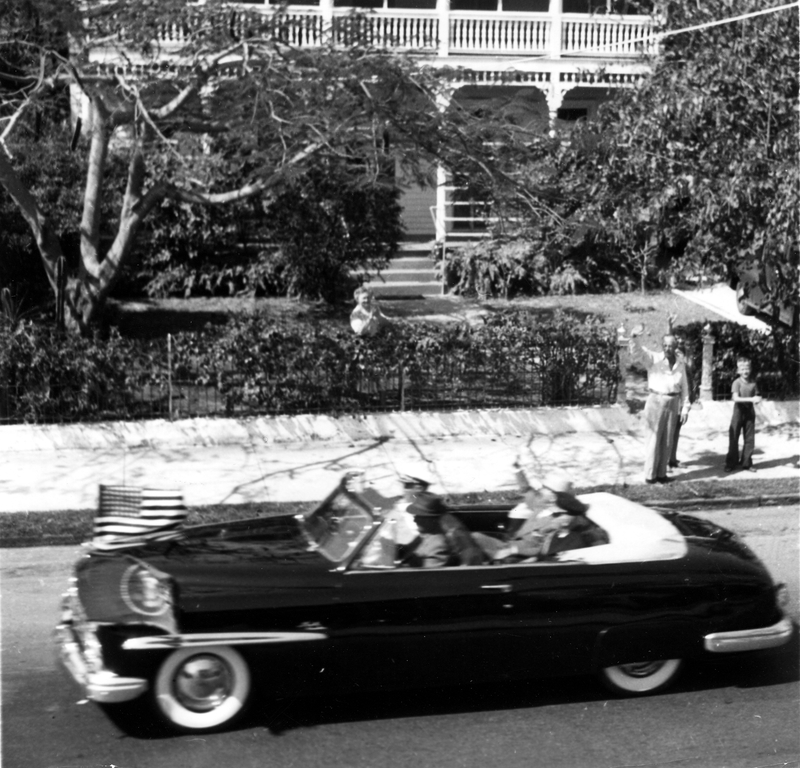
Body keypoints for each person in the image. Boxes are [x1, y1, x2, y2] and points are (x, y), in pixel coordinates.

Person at [472, 449, 606, 562]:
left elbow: (540, 548)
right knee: (474, 537)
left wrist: (513, 550)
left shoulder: (563, 521)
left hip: (517, 555)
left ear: (555, 496)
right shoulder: (543, 504)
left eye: (544, 489)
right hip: (509, 544)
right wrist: (517, 470)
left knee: (472, 549)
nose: (540, 490)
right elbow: (526, 491)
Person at [627, 323, 691, 484]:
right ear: (662, 346)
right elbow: (637, 352)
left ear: (676, 347)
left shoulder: (680, 364)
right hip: (656, 401)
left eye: (671, 345)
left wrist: (685, 409)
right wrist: (634, 337)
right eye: (665, 345)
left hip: (673, 401)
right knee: (653, 439)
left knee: (667, 440)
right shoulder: (653, 359)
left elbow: (684, 387)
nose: (668, 348)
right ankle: (650, 476)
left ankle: (662, 474)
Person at [666, 315, 695, 470]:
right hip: (672, 394)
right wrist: (669, 326)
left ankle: (672, 458)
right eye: (678, 337)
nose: (681, 340)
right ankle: (666, 459)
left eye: (683, 338)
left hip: (683, 394)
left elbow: (690, 373)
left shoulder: (686, 354)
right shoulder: (672, 354)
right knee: (669, 429)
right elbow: (668, 341)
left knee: (677, 428)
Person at [725, 357, 762, 473]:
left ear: (750, 369)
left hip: (750, 412)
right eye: (742, 369)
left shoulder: (753, 383)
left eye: (747, 368)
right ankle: (731, 463)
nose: (745, 371)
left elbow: (758, 396)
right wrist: (752, 399)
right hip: (738, 411)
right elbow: (735, 398)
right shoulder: (736, 383)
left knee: (750, 438)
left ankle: (747, 463)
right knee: (734, 436)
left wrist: (757, 399)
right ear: (738, 371)